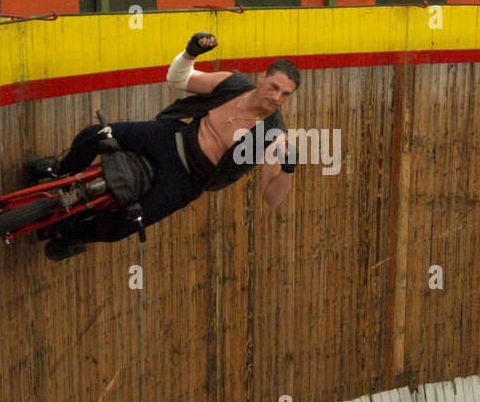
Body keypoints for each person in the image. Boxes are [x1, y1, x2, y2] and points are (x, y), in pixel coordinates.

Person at [26, 33, 299, 260]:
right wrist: (189, 54)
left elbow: (272, 198)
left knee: (124, 226)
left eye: (285, 94)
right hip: (170, 138)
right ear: (262, 78)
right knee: (94, 134)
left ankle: (75, 236)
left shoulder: (274, 135)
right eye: (273, 87)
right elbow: (179, 79)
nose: (276, 97)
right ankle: (58, 171)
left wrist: (287, 171)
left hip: (188, 179)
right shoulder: (233, 84)